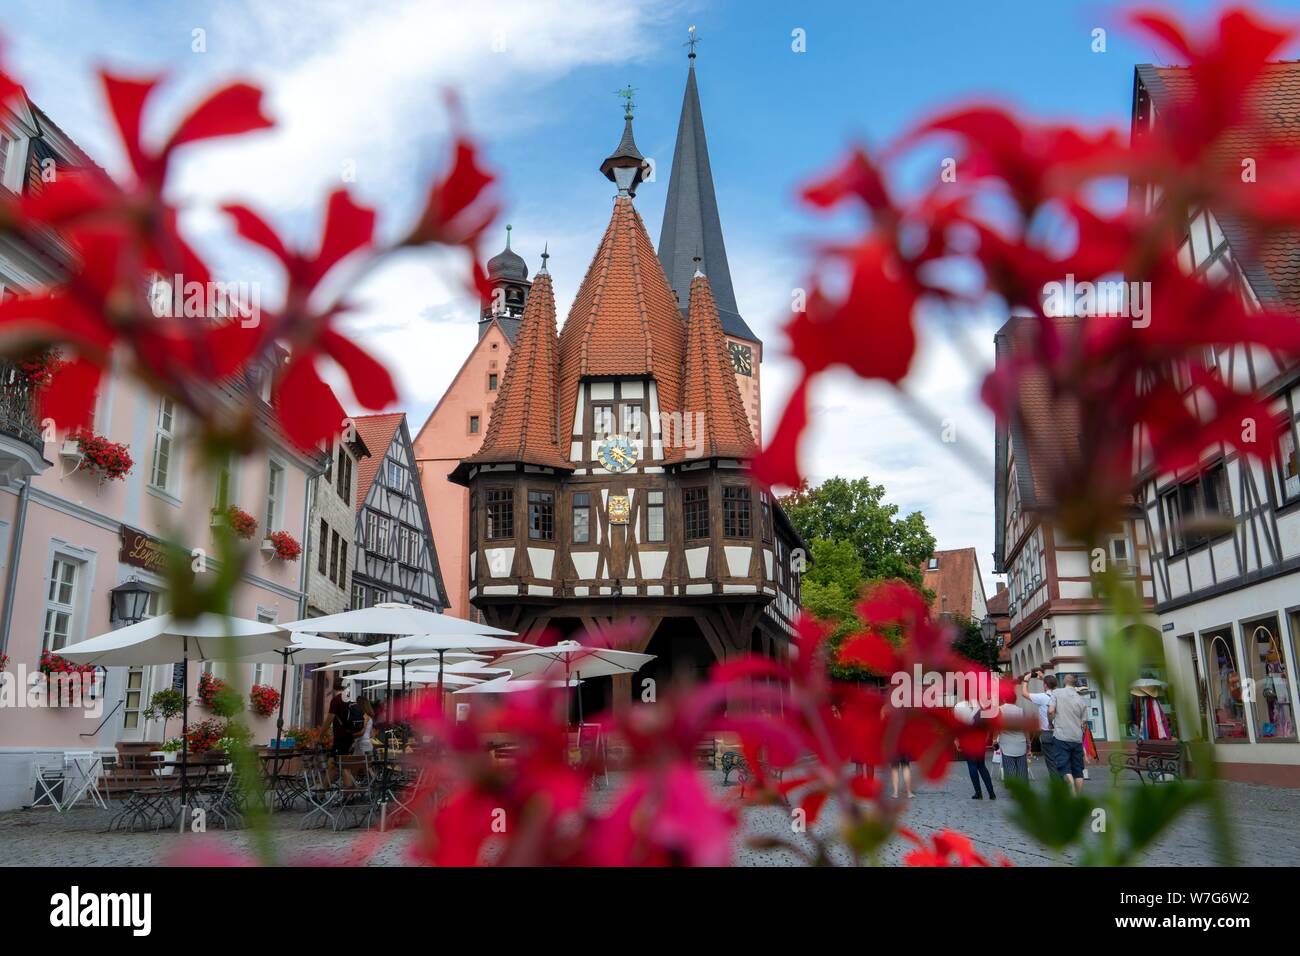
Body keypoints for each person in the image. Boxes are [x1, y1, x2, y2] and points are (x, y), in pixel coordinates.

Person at [1049, 674, 1091, 795]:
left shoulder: (1057, 693)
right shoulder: (1080, 699)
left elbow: (1051, 711)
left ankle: (1071, 788)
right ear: (1075, 684)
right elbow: (1084, 723)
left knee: (1064, 767)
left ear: (1064, 682)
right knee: (1078, 770)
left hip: (1061, 736)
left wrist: (1053, 722)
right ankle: (1078, 797)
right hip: (1076, 738)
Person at [318, 678, 359, 785]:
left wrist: (321, 734)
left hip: (341, 737)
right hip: (349, 736)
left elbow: (329, 719)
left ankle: (349, 795)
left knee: (343, 766)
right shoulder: (350, 699)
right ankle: (322, 792)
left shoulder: (337, 700)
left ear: (334, 687)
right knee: (332, 763)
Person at [955, 700, 996, 800]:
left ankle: (978, 792)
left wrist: (957, 740)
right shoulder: (980, 705)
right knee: (982, 766)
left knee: (972, 765)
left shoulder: (958, 706)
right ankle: (991, 793)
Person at [1024, 670, 1060, 777]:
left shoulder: (1042, 697)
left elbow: (1024, 694)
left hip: (1047, 733)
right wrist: (1044, 678)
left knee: (1051, 763)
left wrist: (1026, 680)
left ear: (1045, 685)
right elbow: (1050, 684)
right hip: (1061, 733)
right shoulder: (1060, 695)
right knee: (1061, 760)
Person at [998, 680, 1030, 782]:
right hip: (1020, 741)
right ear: (1015, 700)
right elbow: (1026, 728)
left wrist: (994, 739)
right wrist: (1028, 742)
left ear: (1004, 699)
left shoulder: (999, 710)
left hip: (1006, 742)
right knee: (1021, 766)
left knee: (1009, 766)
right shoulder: (1020, 710)